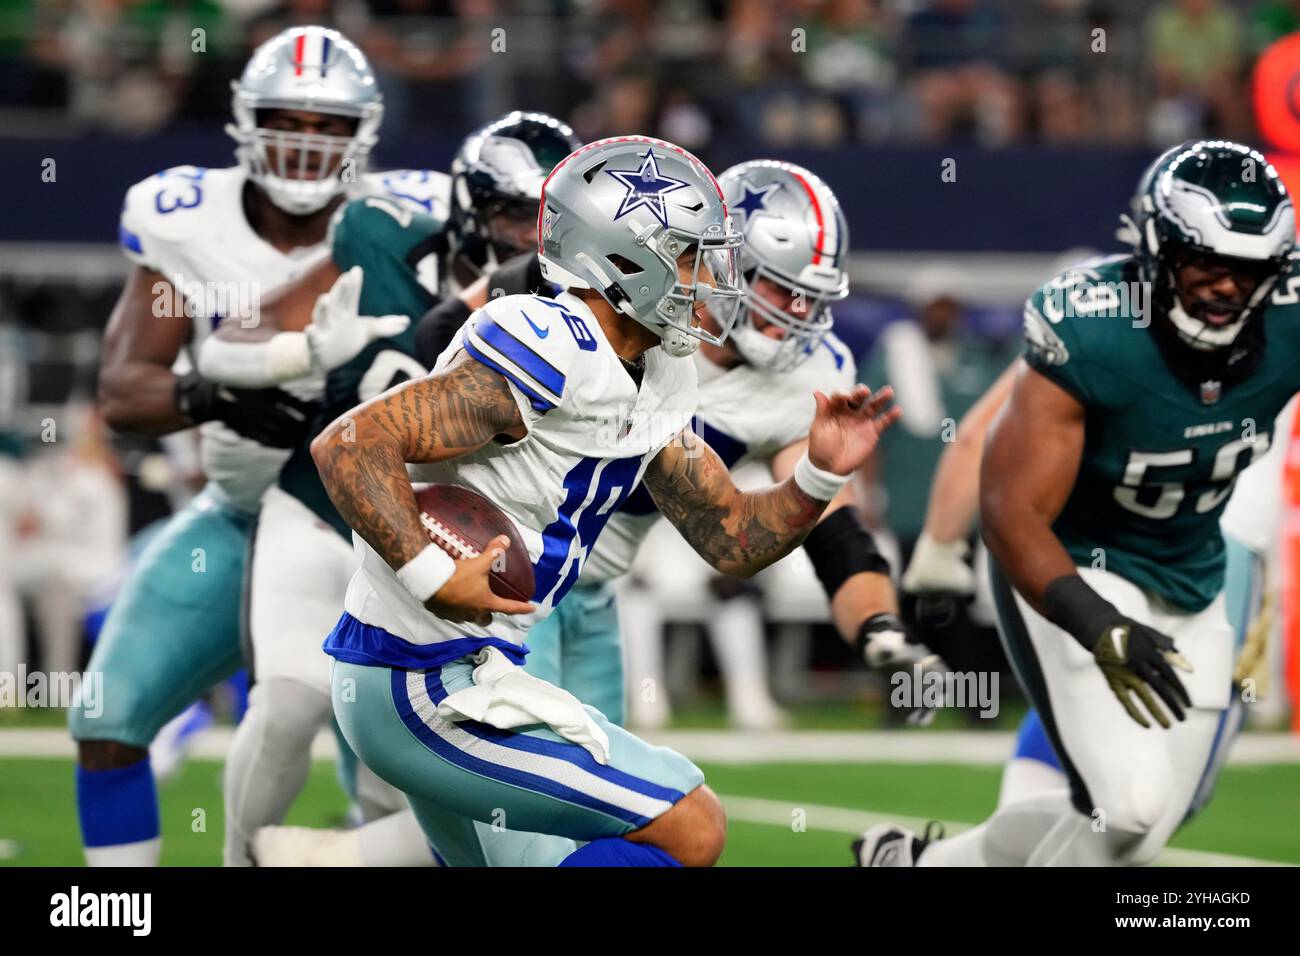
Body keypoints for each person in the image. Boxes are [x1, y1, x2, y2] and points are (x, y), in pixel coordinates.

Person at [309, 135, 899, 866]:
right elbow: (351, 442)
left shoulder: (658, 369)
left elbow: (730, 536)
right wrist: (431, 572)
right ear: (625, 256)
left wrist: (817, 473)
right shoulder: (549, 342)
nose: (712, 279)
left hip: (468, 669)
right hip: (416, 676)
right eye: (691, 256)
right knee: (690, 824)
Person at [857, 140, 1299, 867]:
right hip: (1081, 561)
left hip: (1194, 573)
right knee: (1126, 809)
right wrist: (1097, 623)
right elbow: (1009, 510)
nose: (1227, 288)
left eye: (1248, 271)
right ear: (1157, 250)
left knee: (1144, 828)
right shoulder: (1091, 325)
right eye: (1206, 265)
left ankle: (919, 865)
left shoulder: (1290, 314)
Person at [67, 25, 435, 867]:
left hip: (364, 527)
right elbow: (125, 394)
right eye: (287, 120)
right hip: (236, 515)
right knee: (107, 716)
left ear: (362, 135)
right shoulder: (187, 217)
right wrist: (217, 391)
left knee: (386, 775)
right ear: (245, 121)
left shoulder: (405, 220)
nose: (305, 143)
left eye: (326, 126)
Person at [197, 111, 580, 866]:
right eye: (512, 216)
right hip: (319, 509)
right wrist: (298, 352)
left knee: (410, 771)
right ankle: (239, 858)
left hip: (447, 539)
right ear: (469, 209)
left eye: (548, 222)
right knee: (287, 705)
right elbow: (228, 339)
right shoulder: (382, 233)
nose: (530, 242)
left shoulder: (569, 312)